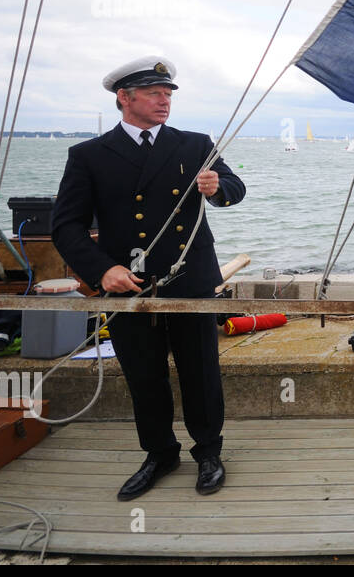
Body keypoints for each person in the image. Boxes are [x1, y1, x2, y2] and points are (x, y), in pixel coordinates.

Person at [51, 56, 245, 500]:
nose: (165, 100)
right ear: (125, 97)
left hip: (190, 279)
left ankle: (209, 452)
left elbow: (235, 191)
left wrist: (219, 188)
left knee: (201, 371)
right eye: (155, 93)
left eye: (169, 93)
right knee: (144, 374)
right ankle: (159, 453)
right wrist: (102, 270)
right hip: (127, 283)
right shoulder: (89, 155)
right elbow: (67, 226)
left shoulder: (195, 144)